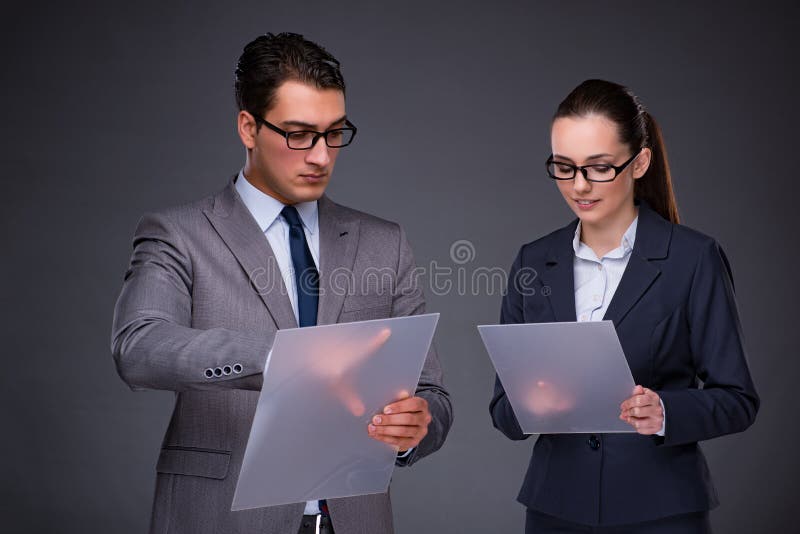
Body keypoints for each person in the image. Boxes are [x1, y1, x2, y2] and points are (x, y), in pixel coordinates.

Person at [111, 32, 452, 534]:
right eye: (299, 135)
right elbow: (139, 347)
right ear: (248, 128)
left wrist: (415, 427)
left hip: (354, 520)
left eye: (335, 133)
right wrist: (276, 359)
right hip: (220, 518)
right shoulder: (178, 233)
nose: (321, 156)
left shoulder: (384, 242)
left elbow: (431, 393)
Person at [489, 79, 759, 533]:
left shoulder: (693, 259)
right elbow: (503, 411)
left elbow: (738, 399)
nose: (578, 186)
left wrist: (665, 412)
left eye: (598, 168)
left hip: (662, 511)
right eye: (564, 167)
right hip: (556, 509)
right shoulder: (532, 261)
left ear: (640, 163)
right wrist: (531, 403)